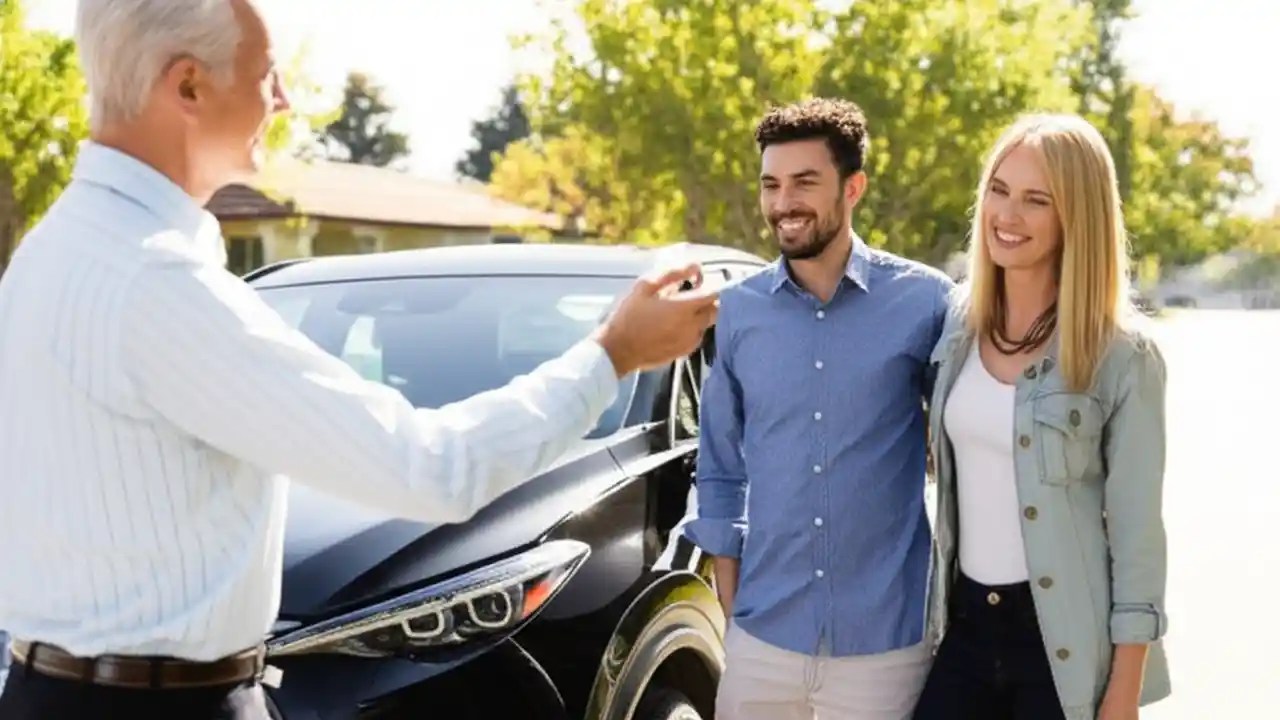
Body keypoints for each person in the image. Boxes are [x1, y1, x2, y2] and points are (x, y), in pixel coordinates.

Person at [0, 0, 718, 717]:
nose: (282, 99)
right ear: (187, 86)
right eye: (265, 74)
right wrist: (613, 354)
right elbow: (434, 467)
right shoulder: (159, 285)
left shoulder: (45, 259)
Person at [684, 97, 954, 720]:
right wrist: (732, 601)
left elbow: (965, 443)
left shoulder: (925, 302)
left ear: (852, 187)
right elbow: (721, 466)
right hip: (761, 639)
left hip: (884, 643)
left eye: (805, 182)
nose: (784, 203)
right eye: (772, 184)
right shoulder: (739, 313)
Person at [912, 113, 1171, 720]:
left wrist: (1124, 694)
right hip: (965, 627)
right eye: (999, 191)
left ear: (1075, 217)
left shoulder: (1123, 357)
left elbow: (1138, 535)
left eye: (1036, 201)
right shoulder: (956, 327)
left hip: (1062, 649)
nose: (1007, 215)